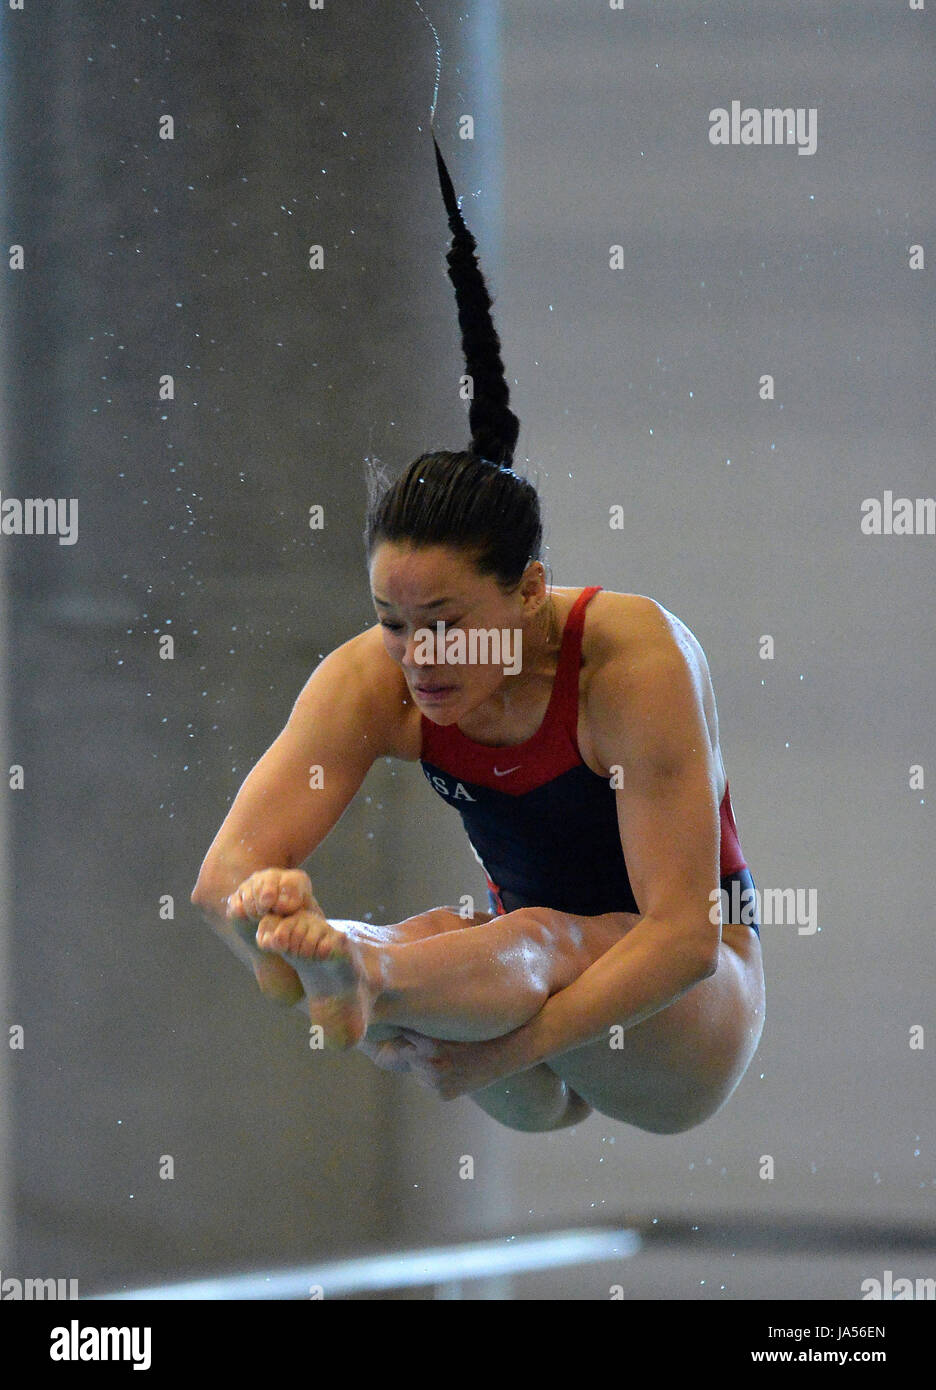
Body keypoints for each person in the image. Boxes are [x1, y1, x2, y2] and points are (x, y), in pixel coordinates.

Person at [190, 136, 765, 1134]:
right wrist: (270, 925)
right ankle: (367, 971)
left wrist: (501, 1046)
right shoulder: (374, 679)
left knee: (526, 936)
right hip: (515, 1016)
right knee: (433, 937)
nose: (416, 658)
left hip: (684, 1022)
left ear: (530, 591)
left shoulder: (630, 660)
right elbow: (218, 882)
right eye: (392, 624)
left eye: (446, 626)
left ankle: (373, 973)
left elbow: (682, 941)